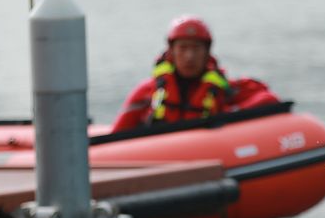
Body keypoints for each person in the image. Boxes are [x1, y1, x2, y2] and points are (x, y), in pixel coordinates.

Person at [111, 15, 279, 132]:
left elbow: (268, 99)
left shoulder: (224, 89)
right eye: (183, 48)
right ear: (171, 52)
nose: (189, 56)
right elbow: (117, 134)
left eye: (196, 48)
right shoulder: (148, 91)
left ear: (207, 52)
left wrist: (229, 114)